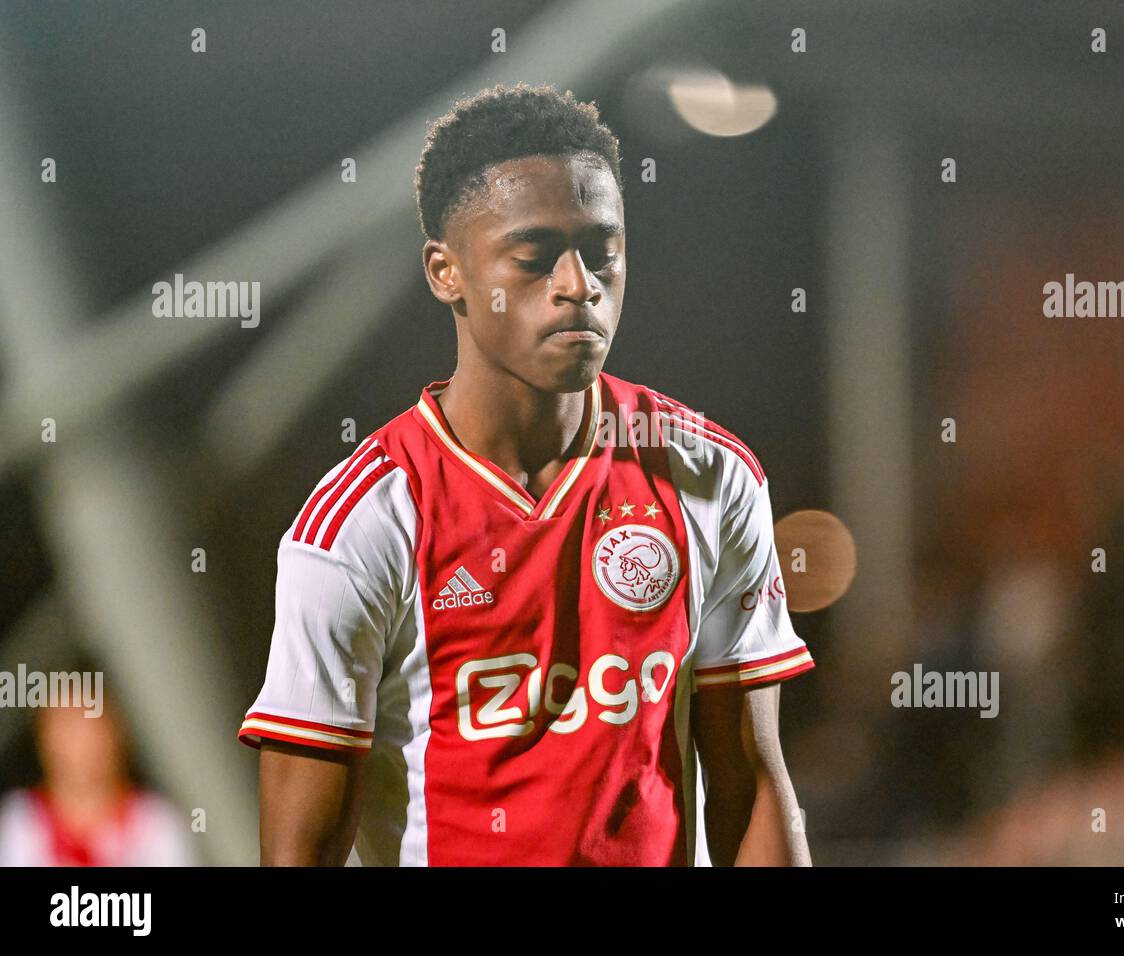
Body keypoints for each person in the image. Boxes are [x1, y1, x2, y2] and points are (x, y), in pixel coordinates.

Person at [238, 82, 815, 866]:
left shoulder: (707, 475)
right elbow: (299, 849)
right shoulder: (362, 521)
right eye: (535, 256)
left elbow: (750, 782)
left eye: (602, 251)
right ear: (447, 273)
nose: (578, 284)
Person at [0, 700, 195, 866]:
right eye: (68, 727)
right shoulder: (18, 820)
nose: (82, 744)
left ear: (115, 733)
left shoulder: (157, 822)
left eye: (91, 726)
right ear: (43, 740)